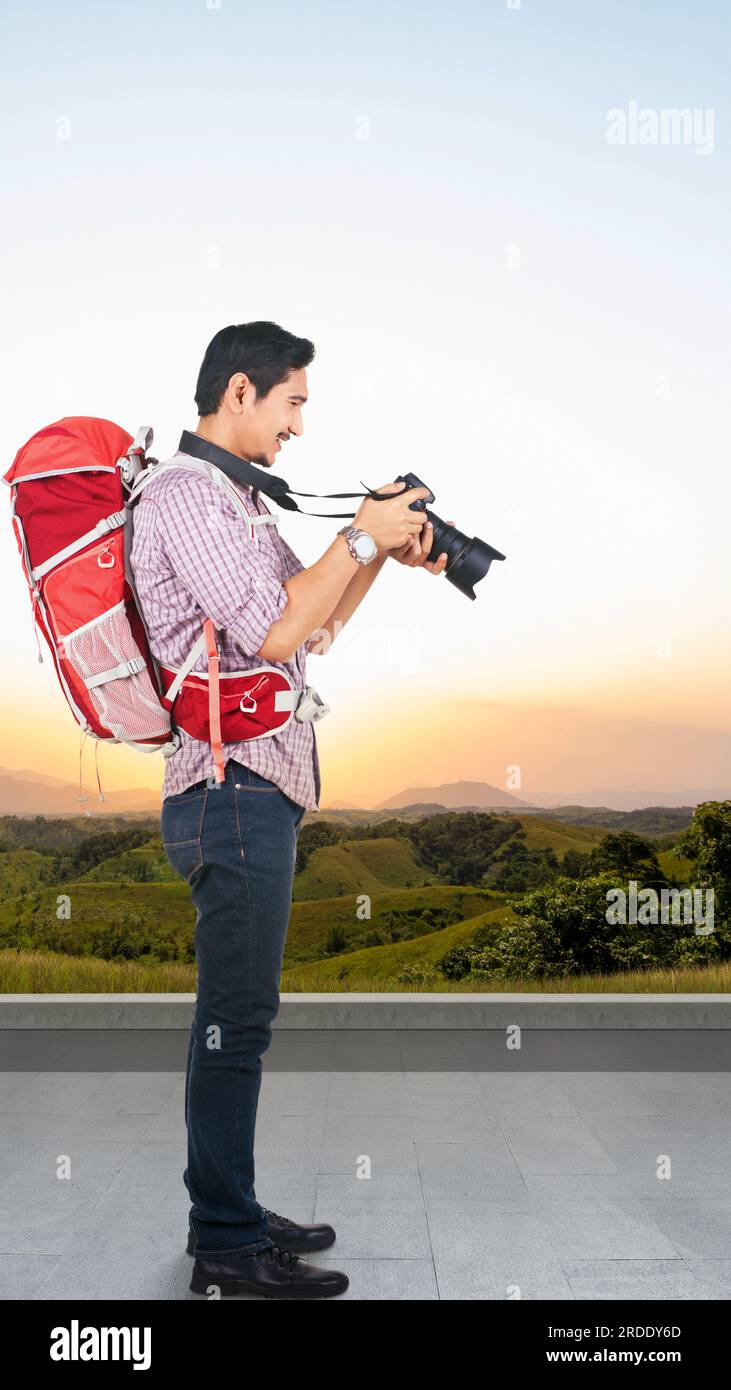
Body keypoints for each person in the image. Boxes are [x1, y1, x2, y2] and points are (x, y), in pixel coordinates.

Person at [129, 320, 450, 1299]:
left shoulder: (236, 504)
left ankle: (230, 1206)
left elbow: (314, 628)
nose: (299, 425)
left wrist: (377, 554)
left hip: (254, 790)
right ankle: (224, 1245)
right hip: (227, 793)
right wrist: (355, 530)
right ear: (240, 392)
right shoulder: (187, 497)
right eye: (292, 402)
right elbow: (272, 631)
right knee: (236, 1021)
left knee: (232, 1021)